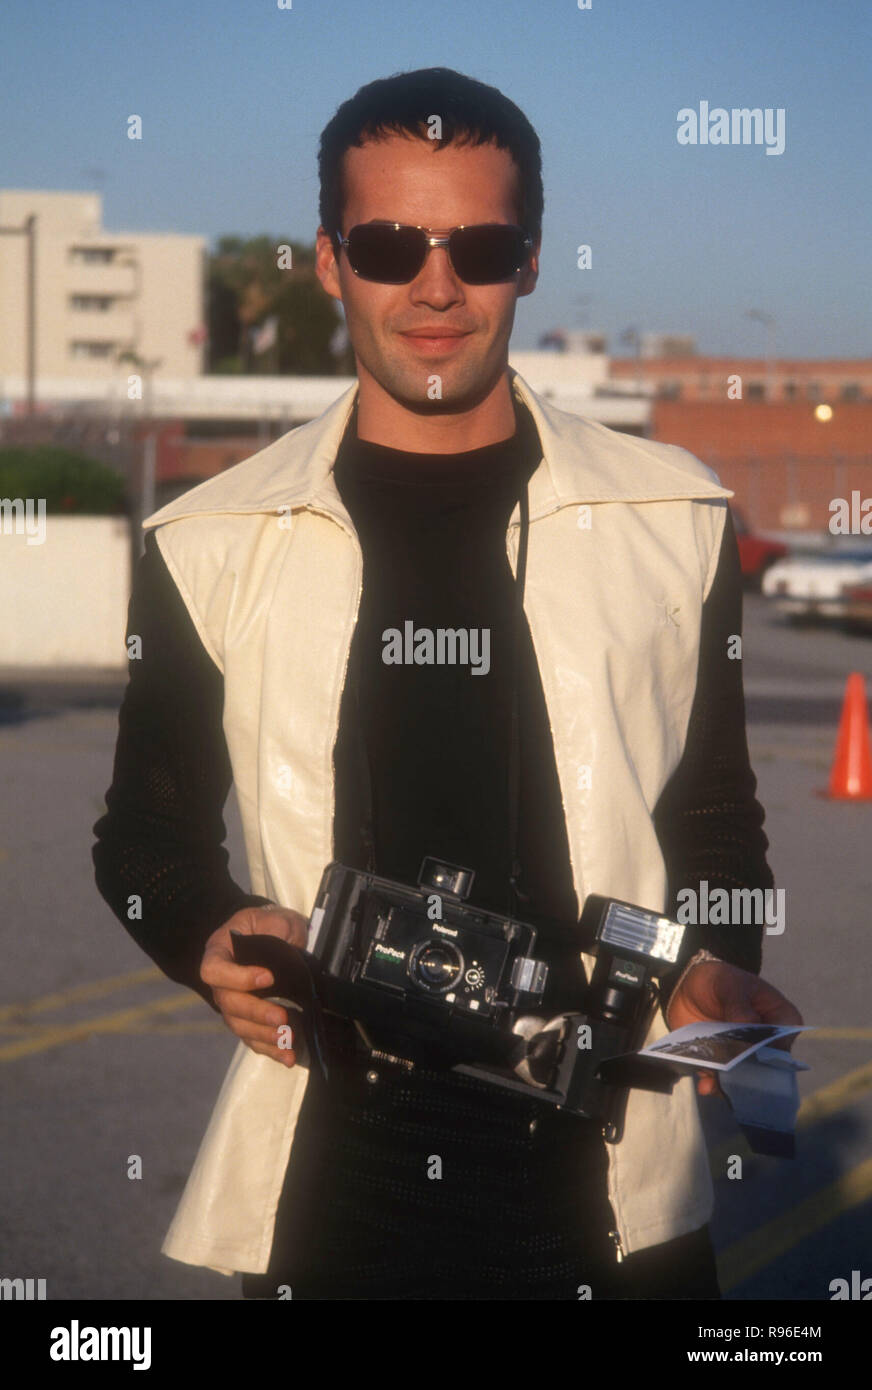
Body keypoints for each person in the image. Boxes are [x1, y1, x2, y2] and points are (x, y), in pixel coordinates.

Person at [92, 66, 802, 1301]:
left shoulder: (671, 518)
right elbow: (144, 832)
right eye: (388, 243)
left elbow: (711, 817)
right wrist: (200, 931)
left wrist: (707, 961)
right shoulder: (208, 541)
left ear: (527, 259)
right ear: (329, 261)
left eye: (476, 244)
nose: (434, 284)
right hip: (330, 1179)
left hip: (607, 1190)